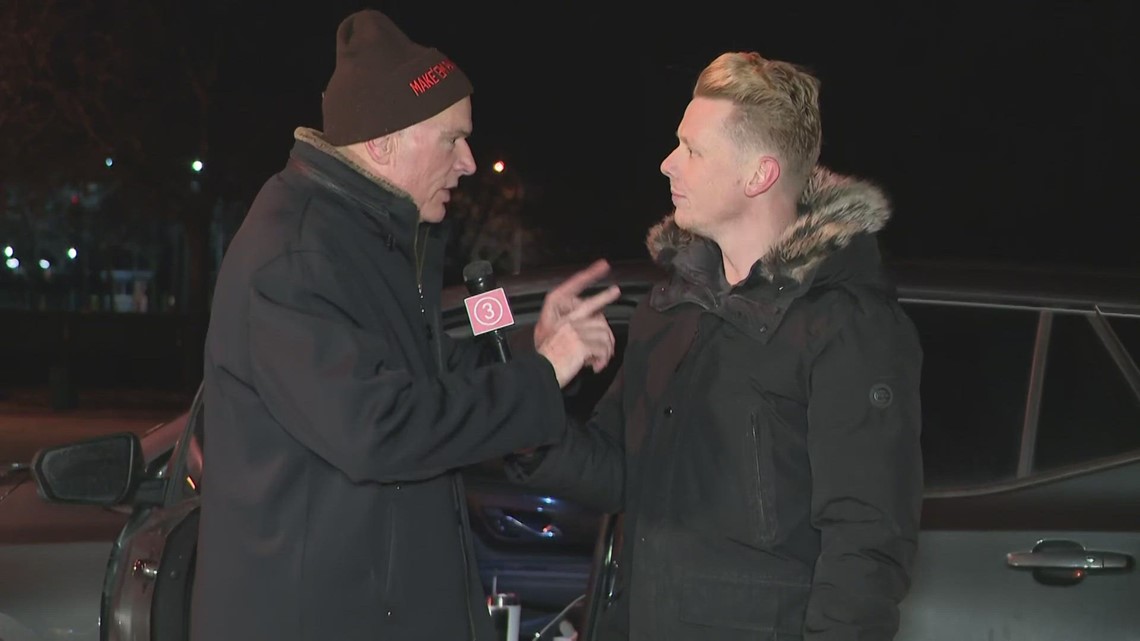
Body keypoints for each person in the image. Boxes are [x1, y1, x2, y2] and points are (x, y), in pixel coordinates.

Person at [191, 9, 620, 641]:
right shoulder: (300, 255)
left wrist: (537, 347)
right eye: (452, 138)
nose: (470, 162)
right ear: (385, 142)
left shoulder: (373, 242)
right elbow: (382, 427)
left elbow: (433, 377)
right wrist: (541, 373)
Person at [507, 51, 924, 640]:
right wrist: (537, 396)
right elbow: (618, 472)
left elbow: (867, 544)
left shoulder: (845, 325)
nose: (668, 163)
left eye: (692, 149)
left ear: (759, 175)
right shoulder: (672, 309)